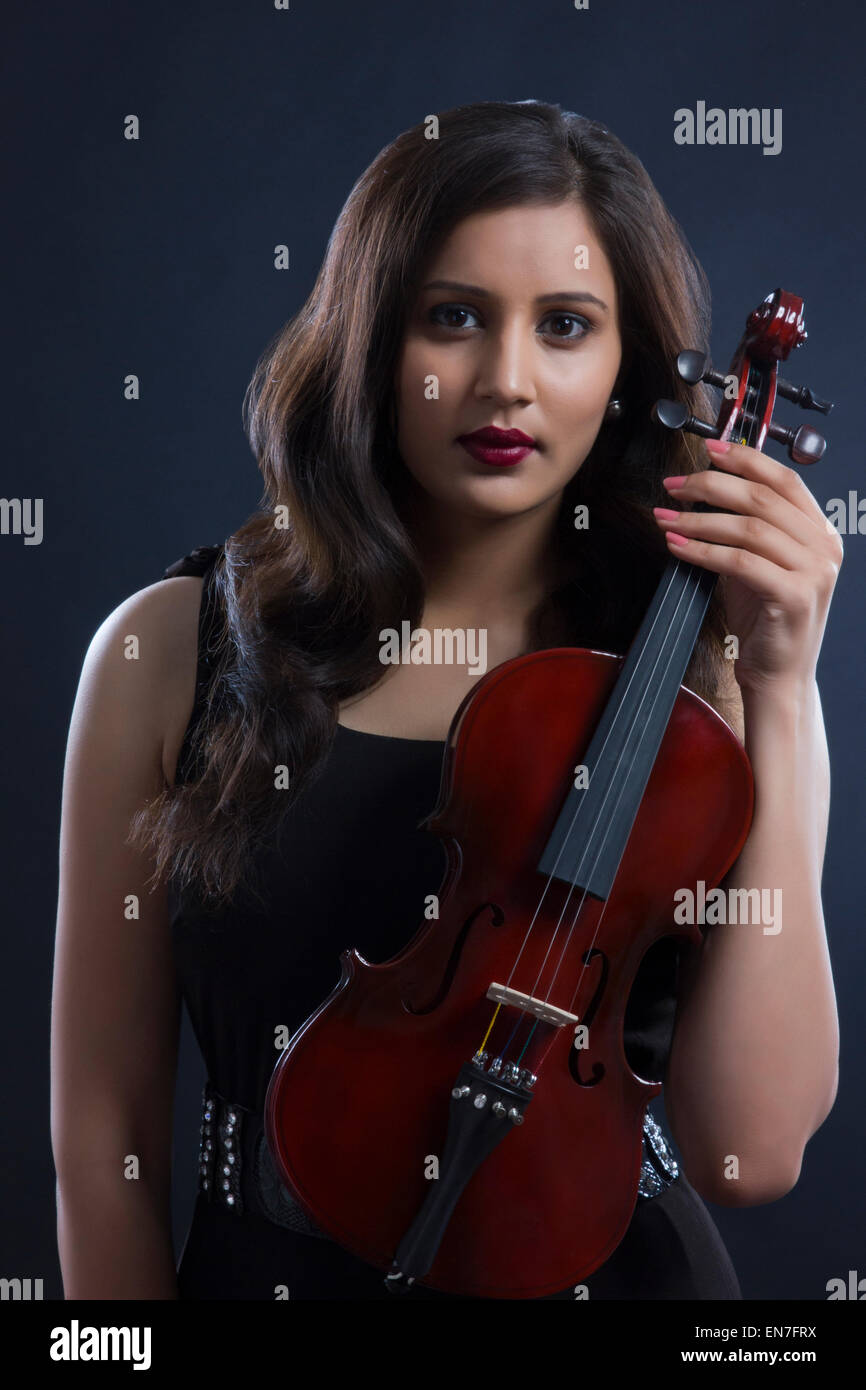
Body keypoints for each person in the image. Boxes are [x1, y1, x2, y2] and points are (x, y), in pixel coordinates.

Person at [51, 99, 841, 1301]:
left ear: (629, 367)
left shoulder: (713, 677)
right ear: (372, 340)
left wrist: (780, 688)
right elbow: (99, 1141)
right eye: (453, 317)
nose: (505, 381)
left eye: (565, 326)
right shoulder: (169, 650)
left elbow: (751, 1151)